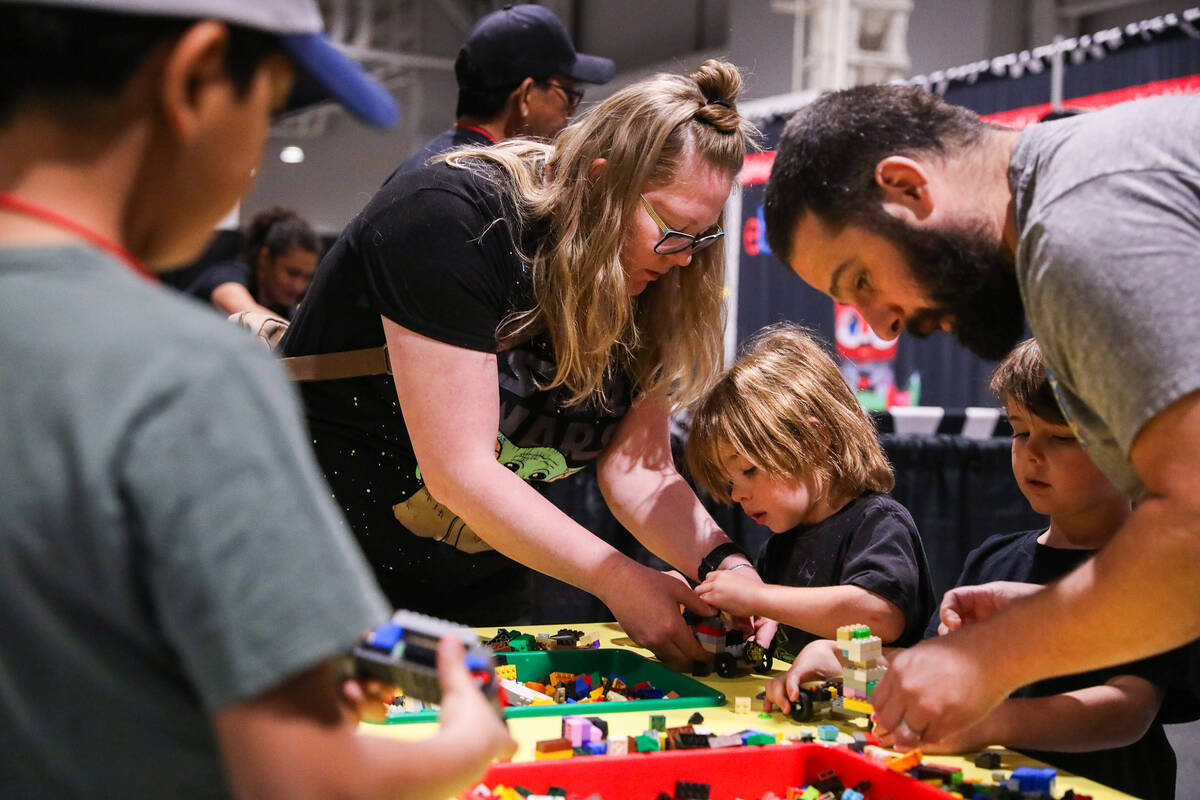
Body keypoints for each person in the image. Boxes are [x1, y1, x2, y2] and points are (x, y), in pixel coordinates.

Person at [0, 1, 514, 798]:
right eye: (268, 108)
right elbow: (309, 785)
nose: (253, 157)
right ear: (197, 76)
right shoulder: (185, 377)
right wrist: (467, 743)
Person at [762, 83, 1200, 748]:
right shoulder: (1084, 178)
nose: (880, 326)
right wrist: (1041, 614)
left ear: (907, 187)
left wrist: (989, 657)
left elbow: (1191, 527)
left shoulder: (1078, 223)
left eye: (862, 280)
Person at [281, 59, 759, 666]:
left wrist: (726, 567)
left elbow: (637, 469)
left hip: (478, 588)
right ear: (601, 182)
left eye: (702, 237)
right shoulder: (452, 216)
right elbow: (460, 470)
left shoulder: (650, 279)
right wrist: (618, 578)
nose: (685, 258)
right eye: (674, 229)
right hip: (323, 577)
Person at [764, 338, 1197, 800]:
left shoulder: (1150, 575)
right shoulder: (993, 561)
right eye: (1019, 431)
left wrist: (990, 722)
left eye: (1062, 437)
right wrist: (840, 658)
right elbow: (932, 664)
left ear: (1131, 449)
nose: (1032, 453)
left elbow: (1126, 712)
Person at [683, 323, 935, 661]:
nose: (737, 495)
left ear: (813, 441)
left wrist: (759, 598)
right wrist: (746, 618)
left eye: (749, 470)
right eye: (730, 483)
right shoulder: (780, 545)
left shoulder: (878, 523)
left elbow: (880, 617)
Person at [388, 3, 615, 180]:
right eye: (568, 93)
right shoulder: (481, 182)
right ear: (526, 95)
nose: (571, 112)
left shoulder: (425, 165)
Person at [186, 206, 320, 320]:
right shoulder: (228, 275)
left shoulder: (285, 310)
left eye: (307, 277)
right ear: (265, 258)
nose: (298, 286)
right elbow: (245, 311)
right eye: (292, 273)